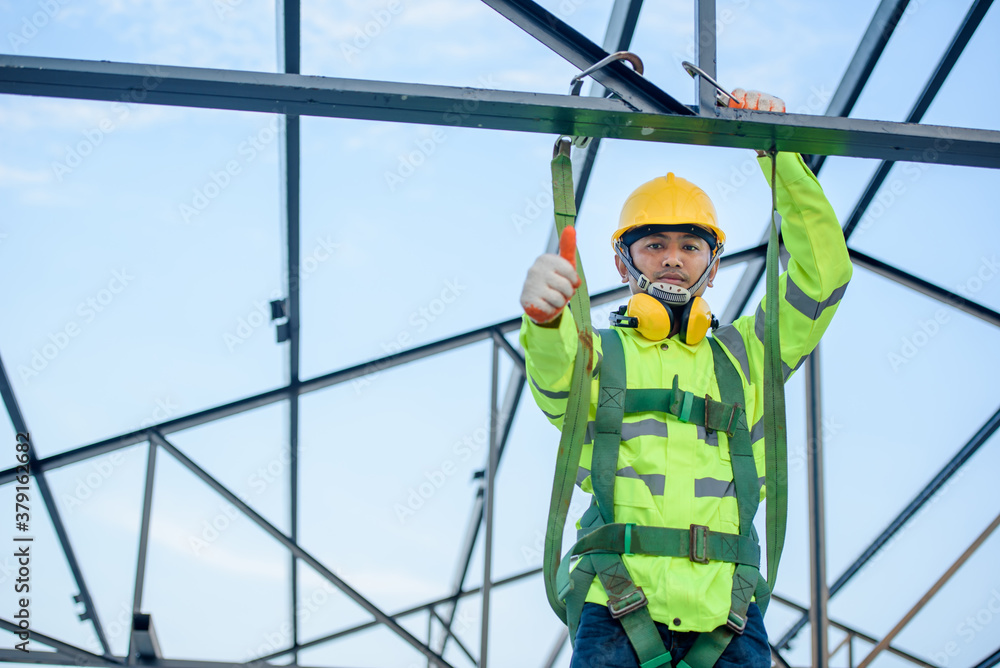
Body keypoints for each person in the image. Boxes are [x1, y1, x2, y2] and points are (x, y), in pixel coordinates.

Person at [518, 89, 853, 667]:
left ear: (713, 264)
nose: (673, 259)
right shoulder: (599, 354)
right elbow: (555, 383)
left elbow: (822, 277)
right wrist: (544, 323)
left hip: (728, 612)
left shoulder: (747, 356)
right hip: (616, 607)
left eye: (690, 246)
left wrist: (778, 156)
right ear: (625, 263)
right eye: (654, 245)